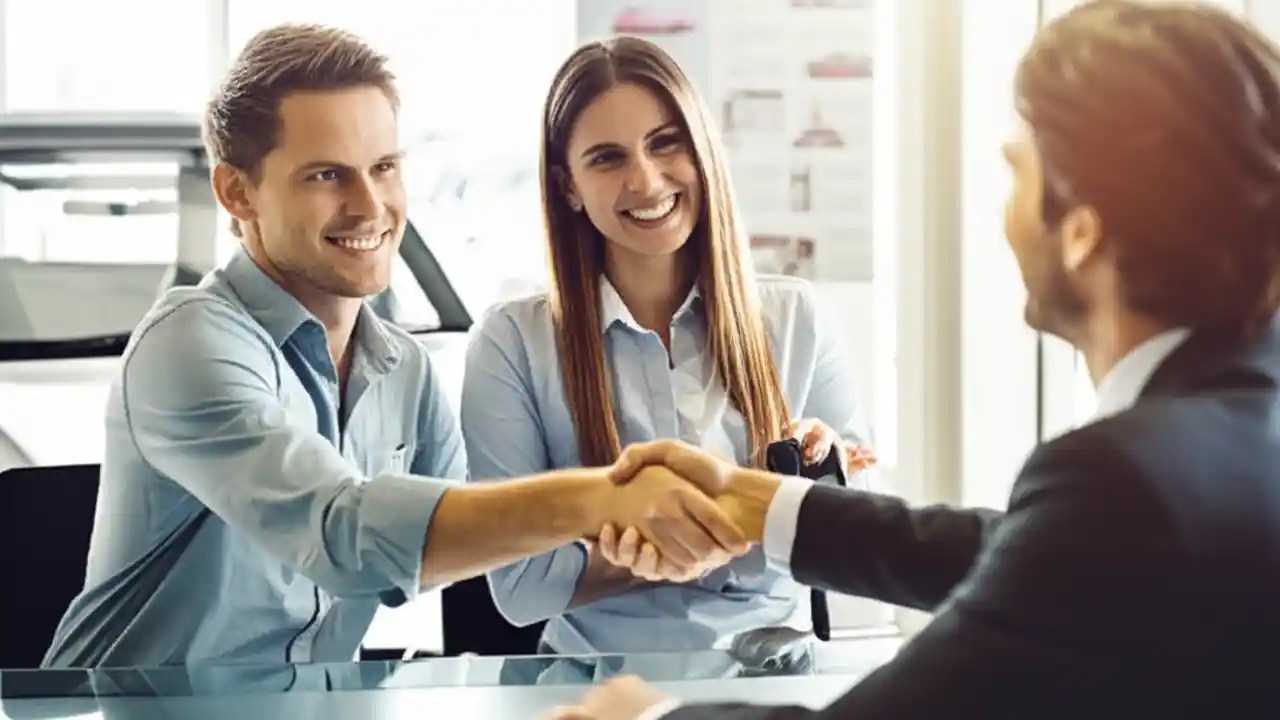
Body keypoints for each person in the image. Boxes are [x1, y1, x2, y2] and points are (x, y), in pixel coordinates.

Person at [551, 1, 1280, 717]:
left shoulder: (1120, 480)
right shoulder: (1231, 435)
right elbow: (1025, 556)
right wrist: (751, 503)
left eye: (1016, 174)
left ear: (1082, 234)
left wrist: (646, 718)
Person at [40, 24, 748, 669]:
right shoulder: (192, 342)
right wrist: (610, 497)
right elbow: (346, 534)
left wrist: (699, 509)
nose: (370, 206)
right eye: (326, 175)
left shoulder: (403, 370)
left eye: (383, 167)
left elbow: (474, 534)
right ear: (237, 192)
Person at [459, 36, 877, 657]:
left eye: (665, 143)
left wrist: (822, 474)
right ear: (567, 186)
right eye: (606, 158)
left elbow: (857, 549)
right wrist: (749, 517)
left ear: (702, 150)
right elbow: (520, 588)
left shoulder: (798, 319)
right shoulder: (513, 343)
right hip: (598, 684)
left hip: (776, 676)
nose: (646, 180)